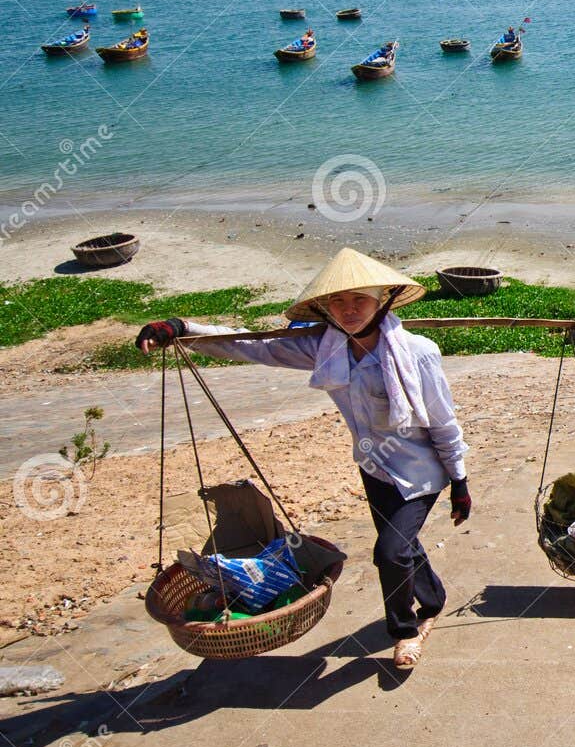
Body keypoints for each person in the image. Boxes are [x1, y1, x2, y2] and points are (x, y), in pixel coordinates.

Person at [135, 248, 469, 671]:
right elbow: (253, 345)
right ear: (326, 310)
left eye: (360, 300)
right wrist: (182, 328)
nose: (349, 311)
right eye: (339, 302)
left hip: (422, 471)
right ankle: (434, 600)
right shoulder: (324, 351)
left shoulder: (418, 352)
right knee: (402, 545)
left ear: (382, 300)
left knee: (389, 553)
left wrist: (459, 480)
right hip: (373, 467)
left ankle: (404, 632)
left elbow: (443, 421)